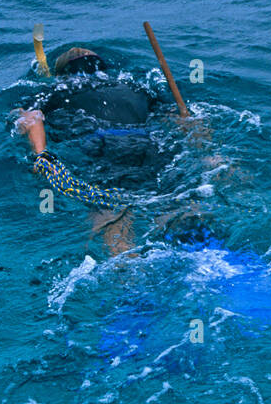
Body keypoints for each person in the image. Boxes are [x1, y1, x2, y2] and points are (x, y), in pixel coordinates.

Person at [13, 45, 163, 255]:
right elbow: (178, 118)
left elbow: (30, 118)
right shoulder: (137, 88)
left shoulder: (54, 92)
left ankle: (128, 274)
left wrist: (41, 154)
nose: (76, 49)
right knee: (173, 203)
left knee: (112, 214)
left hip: (105, 148)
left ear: (62, 75)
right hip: (150, 146)